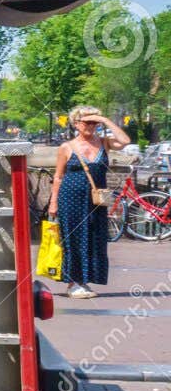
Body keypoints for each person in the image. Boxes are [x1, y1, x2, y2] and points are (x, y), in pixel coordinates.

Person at [46, 105, 131, 299]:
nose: (91, 126)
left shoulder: (104, 143)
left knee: (95, 238)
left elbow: (125, 141)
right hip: (71, 198)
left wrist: (106, 121)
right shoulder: (67, 147)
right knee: (73, 238)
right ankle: (73, 283)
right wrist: (53, 203)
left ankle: (85, 281)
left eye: (95, 122)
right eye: (87, 122)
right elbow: (58, 177)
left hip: (96, 200)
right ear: (76, 124)